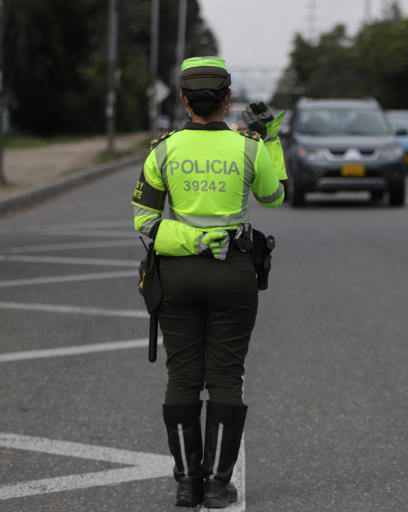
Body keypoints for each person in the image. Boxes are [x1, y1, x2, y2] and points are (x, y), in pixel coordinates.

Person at [131, 56, 285, 508]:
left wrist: (192, 240)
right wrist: (270, 140)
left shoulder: (162, 150)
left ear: (184, 100)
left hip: (177, 275)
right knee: (226, 376)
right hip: (233, 273)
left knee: (182, 377)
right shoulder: (250, 148)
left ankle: (187, 485)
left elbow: (145, 221)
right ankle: (217, 484)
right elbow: (275, 197)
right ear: (228, 99)